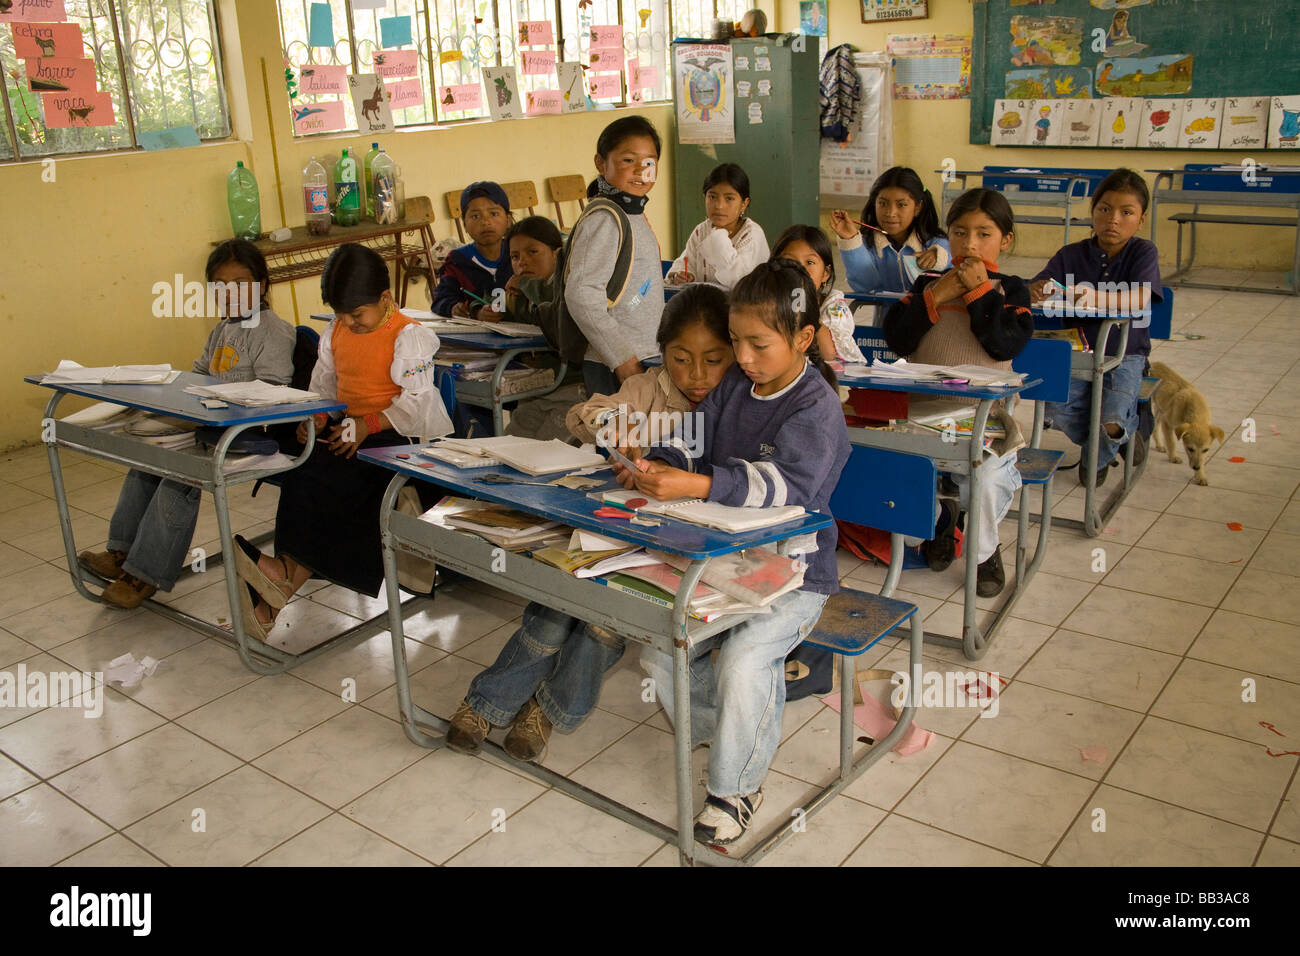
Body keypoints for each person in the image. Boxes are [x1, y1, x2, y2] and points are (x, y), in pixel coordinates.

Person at [444, 285, 735, 762]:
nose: (697, 375)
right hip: (616, 534)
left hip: (679, 555)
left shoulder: (737, 403)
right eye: (681, 358)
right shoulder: (648, 389)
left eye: (713, 359)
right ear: (662, 353)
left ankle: (548, 707)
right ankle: (488, 703)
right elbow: (587, 411)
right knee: (555, 606)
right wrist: (612, 428)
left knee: (603, 625)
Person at [623, 260, 850, 844]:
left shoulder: (816, 407)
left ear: (803, 339)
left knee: (747, 660)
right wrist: (664, 462)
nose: (743, 358)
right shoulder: (735, 386)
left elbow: (786, 487)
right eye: (738, 342)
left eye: (758, 344)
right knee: (659, 649)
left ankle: (735, 787)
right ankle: (728, 731)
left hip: (796, 576)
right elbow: (695, 437)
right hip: (726, 561)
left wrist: (698, 485)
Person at [233, 243, 452, 639]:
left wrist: (368, 423)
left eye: (357, 314)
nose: (350, 323)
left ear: (385, 299)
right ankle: (278, 584)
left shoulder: (410, 336)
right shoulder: (335, 332)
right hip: (353, 433)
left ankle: (280, 581)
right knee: (307, 467)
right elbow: (324, 387)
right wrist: (315, 419)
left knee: (342, 480)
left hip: (399, 441)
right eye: (341, 315)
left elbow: (417, 404)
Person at [77, 240, 295, 610]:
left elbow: (272, 394)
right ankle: (122, 552)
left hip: (251, 434)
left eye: (240, 282)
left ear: (261, 285)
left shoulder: (272, 331)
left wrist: (215, 404)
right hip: (211, 425)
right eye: (219, 285)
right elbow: (199, 374)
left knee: (179, 473)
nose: (229, 292)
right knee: (151, 453)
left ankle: (144, 573)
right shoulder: (223, 329)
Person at [883, 188, 1034, 598]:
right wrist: (936, 296)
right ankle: (939, 520)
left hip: (986, 421)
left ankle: (984, 552)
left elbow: (1004, 345)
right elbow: (897, 338)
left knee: (983, 478)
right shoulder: (927, 283)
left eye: (984, 234)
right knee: (887, 463)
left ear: (1006, 240)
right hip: (921, 416)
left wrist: (979, 294)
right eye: (960, 232)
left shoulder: (1013, 290)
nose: (970, 244)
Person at [1029, 168, 1162, 487]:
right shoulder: (1071, 254)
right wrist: (1042, 288)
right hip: (1079, 350)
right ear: (1093, 213)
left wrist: (1093, 296)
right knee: (1052, 408)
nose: (1113, 219)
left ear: (1140, 220)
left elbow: (1141, 298)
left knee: (1111, 420)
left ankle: (1111, 440)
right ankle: (1117, 439)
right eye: (1104, 209)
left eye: (1126, 212)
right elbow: (1044, 283)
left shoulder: (1143, 252)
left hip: (1125, 354)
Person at [565, 115, 666, 398]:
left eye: (649, 162)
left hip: (643, 356)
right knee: (619, 440)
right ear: (601, 163)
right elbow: (582, 295)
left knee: (641, 440)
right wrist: (621, 358)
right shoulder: (606, 219)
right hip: (617, 364)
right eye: (628, 161)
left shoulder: (632, 213)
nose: (641, 171)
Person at [830, 166, 949, 294]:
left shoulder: (934, 242)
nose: (890, 213)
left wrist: (939, 256)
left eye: (901, 205)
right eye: (883, 203)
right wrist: (850, 240)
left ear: (918, 208)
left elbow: (954, 262)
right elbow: (866, 286)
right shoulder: (866, 244)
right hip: (887, 315)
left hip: (925, 314)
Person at [770, 224, 864, 366]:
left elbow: (828, 354)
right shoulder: (766, 300)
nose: (799, 269)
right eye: (789, 262)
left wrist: (807, 311)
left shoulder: (833, 308)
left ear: (826, 273)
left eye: (809, 262)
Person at [665, 162, 768, 289]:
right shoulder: (701, 230)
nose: (719, 205)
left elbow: (738, 280)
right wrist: (682, 275)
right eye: (712, 197)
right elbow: (685, 262)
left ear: (744, 204)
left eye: (729, 198)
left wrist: (719, 234)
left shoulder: (751, 234)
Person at [431, 181, 514, 319]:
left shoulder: (519, 255)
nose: (485, 222)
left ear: (508, 220)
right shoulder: (458, 261)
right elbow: (441, 300)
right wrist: (455, 308)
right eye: (475, 216)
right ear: (464, 224)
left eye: (493, 214)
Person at [501, 215, 564, 325]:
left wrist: (524, 283)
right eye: (515, 256)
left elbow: (551, 297)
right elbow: (495, 300)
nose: (521, 262)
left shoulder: (569, 285)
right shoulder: (518, 290)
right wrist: (479, 310)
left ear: (557, 255)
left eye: (533, 252)